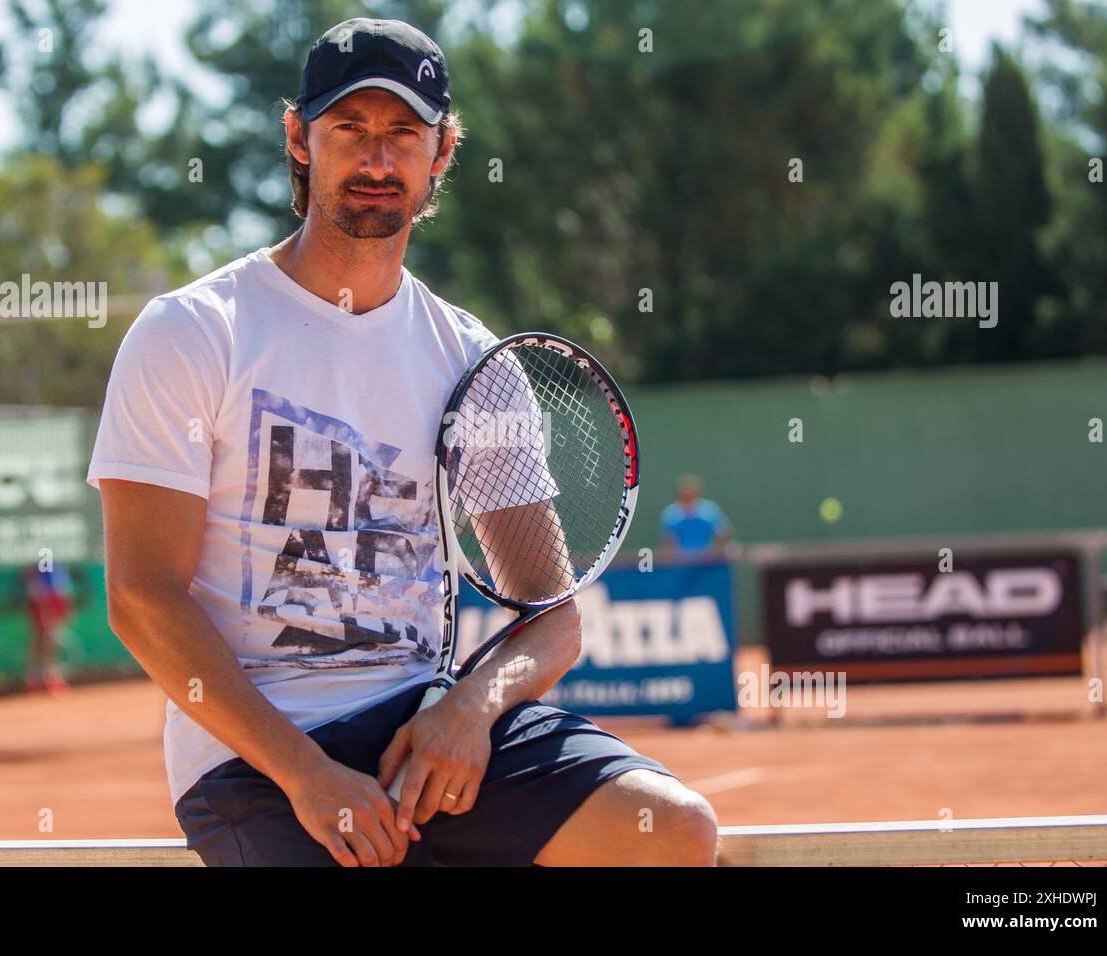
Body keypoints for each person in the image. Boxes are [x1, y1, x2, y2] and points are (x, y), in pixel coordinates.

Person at [87, 17, 717, 867]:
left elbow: (553, 617)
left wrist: (467, 708)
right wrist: (307, 774)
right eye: (349, 128)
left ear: (442, 152)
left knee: (674, 831)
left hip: (424, 729)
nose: (377, 160)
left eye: (403, 135)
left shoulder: (474, 359)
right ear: (298, 138)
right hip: (255, 759)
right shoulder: (194, 334)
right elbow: (142, 596)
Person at [22, 561, 73, 693]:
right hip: (43, 602)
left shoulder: (56, 563)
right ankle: (39, 678)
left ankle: (45, 678)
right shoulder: (40, 562)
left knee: (47, 641)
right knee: (43, 641)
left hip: (52, 600)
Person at [660, 475, 734, 558]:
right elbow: (668, 542)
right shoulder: (671, 514)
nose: (688, 498)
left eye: (691, 495)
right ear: (678, 495)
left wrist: (715, 551)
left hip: (708, 560)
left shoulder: (710, 511)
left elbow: (723, 532)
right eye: (685, 496)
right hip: (681, 561)